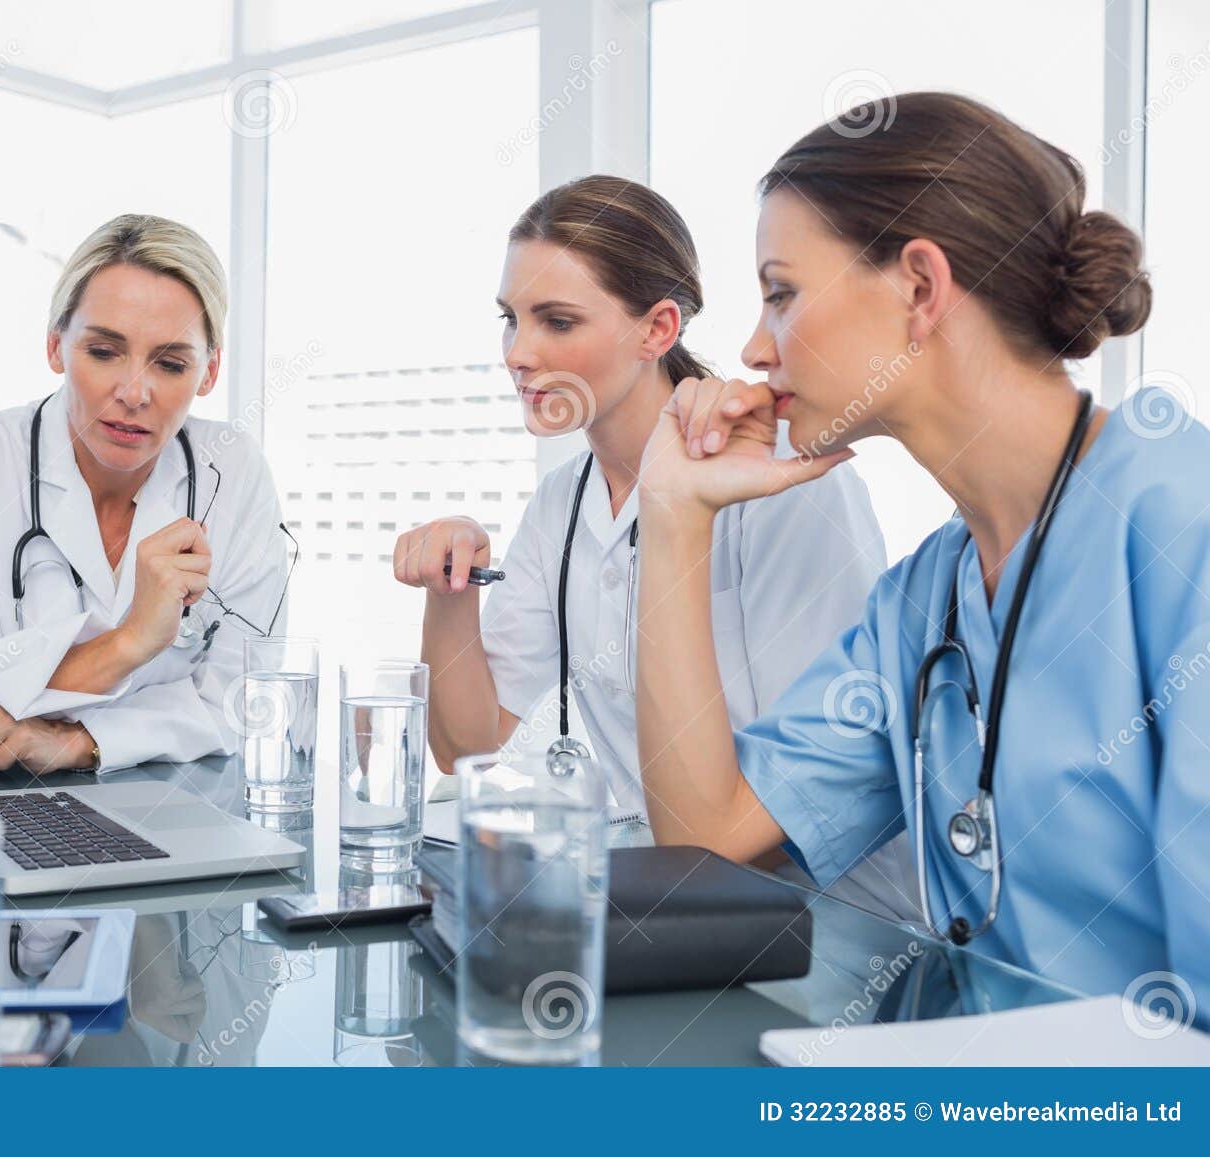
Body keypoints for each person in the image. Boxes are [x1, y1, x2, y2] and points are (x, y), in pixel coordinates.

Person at [636, 91, 1208, 1017]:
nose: (749, 347)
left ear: (919, 288)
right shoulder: (929, 597)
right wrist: (673, 513)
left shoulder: (1185, 532)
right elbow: (703, 836)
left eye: (781, 292)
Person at [393, 176, 916, 917]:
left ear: (658, 328)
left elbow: (812, 796)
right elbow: (474, 750)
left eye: (558, 321)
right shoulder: (562, 503)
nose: (519, 352)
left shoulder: (777, 481)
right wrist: (450, 594)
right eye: (511, 319)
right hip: (667, 895)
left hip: (820, 921)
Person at [0, 214, 291, 773]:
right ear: (56, 345)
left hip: (168, 804)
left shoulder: (234, 473)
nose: (133, 392)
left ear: (209, 373)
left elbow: (247, 699)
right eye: (103, 352)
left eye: (171, 364)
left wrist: (78, 743)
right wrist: (129, 642)